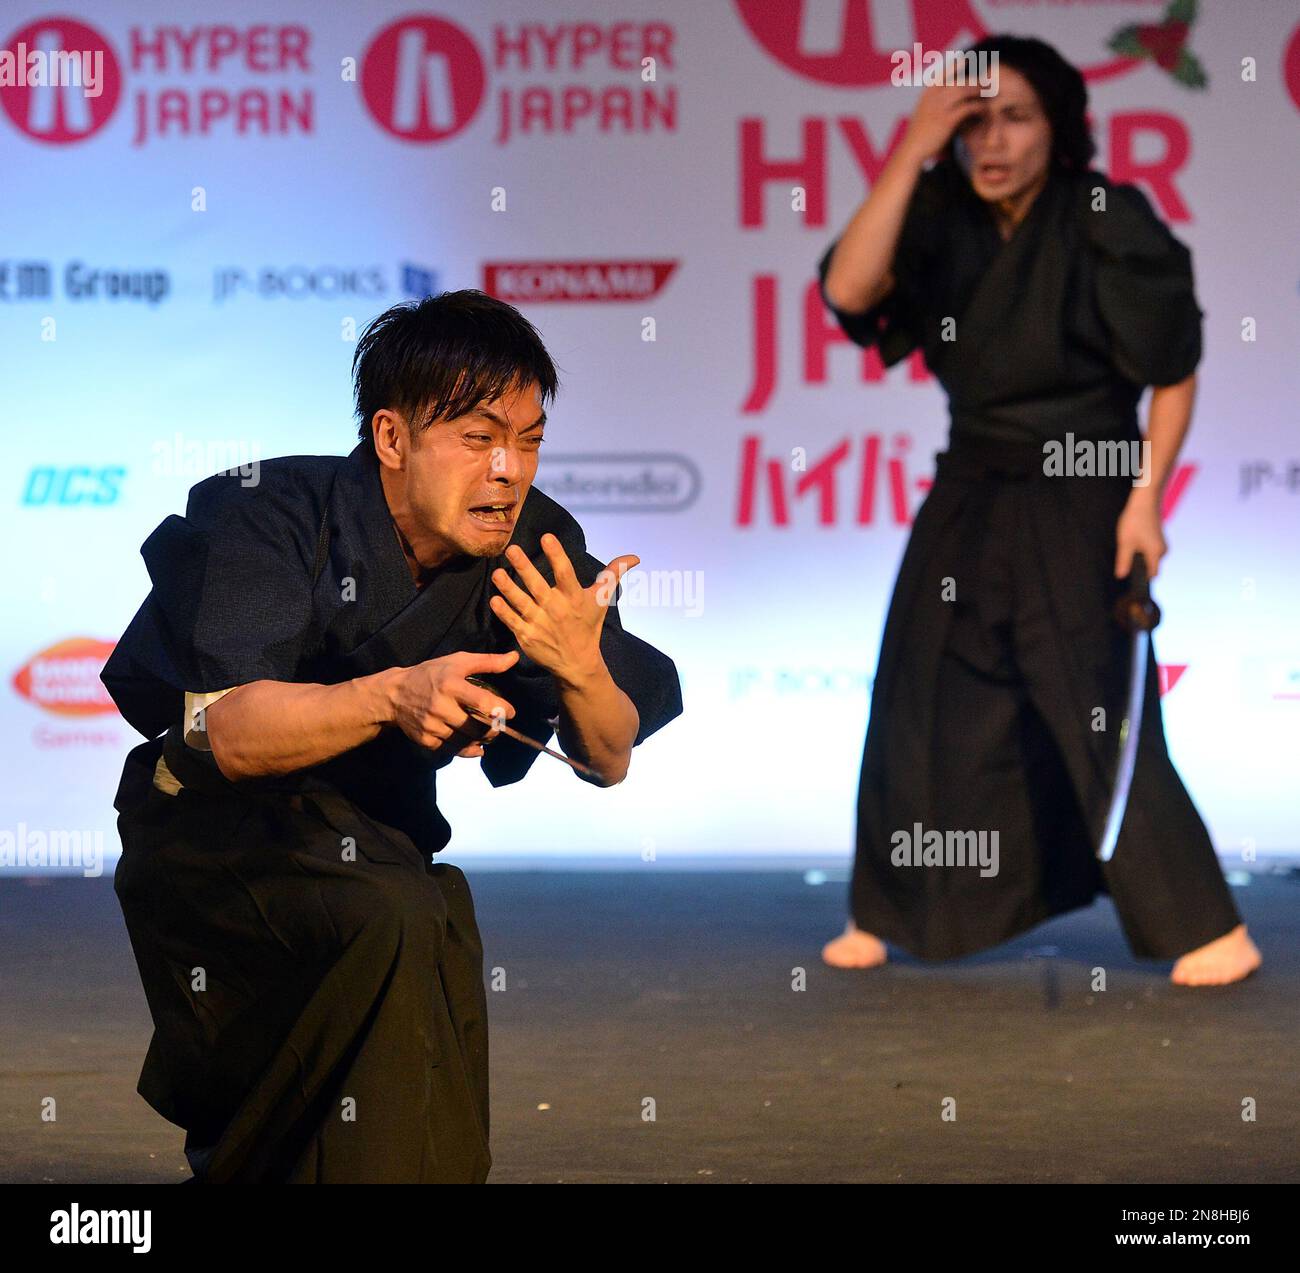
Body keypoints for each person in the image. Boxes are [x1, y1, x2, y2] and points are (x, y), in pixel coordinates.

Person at [102, 290, 683, 1182]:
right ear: (392, 438)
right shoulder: (272, 513)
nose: (508, 468)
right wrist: (394, 695)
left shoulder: (533, 547)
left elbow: (609, 756)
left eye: (528, 440)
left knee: (435, 920)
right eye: (479, 436)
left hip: (376, 844)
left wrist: (581, 667)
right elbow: (227, 732)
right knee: (394, 916)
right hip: (214, 842)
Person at [816, 35, 1260, 987]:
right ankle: (889, 904)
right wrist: (913, 143)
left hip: (1084, 485)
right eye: (975, 120)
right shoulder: (939, 210)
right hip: (973, 480)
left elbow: (1173, 370)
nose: (993, 140)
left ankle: (1209, 926)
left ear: (1059, 129)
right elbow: (851, 289)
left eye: (1016, 116)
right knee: (921, 692)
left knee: (1094, 701)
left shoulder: (1103, 215)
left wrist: (1146, 504)